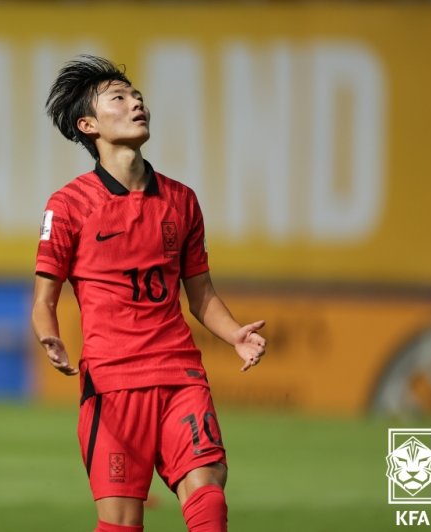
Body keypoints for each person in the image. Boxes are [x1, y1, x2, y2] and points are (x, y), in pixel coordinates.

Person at [31, 56, 267, 532]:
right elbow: (44, 299)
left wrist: (234, 334)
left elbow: (200, 293)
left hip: (179, 372)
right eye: (119, 97)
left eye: (136, 95)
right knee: (121, 523)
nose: (136, 101)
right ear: (88, 125)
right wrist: (49, 335)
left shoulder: (181, 200)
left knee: (209, 495)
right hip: (113, 383)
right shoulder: (69, 205)